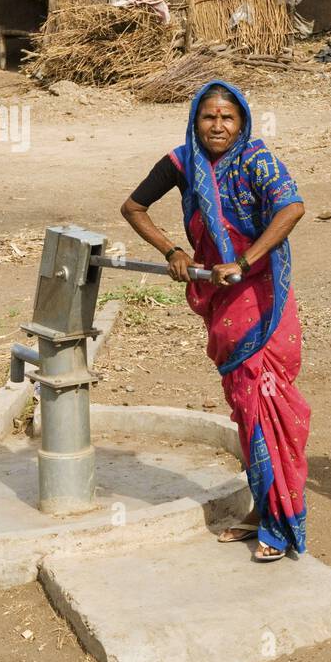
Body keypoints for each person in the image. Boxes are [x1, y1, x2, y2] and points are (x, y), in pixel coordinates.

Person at [121, 80, 310, 562]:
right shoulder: (183, 162)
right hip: (220, 296)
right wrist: (171, 250)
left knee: (266, 402)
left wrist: (245, 261)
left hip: (261, 296)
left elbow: (292, 207)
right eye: (209, 117)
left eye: (228, 118)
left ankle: (280, 523)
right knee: (246, 408)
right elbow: (133, 206)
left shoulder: (259, 160)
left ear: (242, 122)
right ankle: (260, 510)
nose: (218, 126)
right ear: (195, 121)